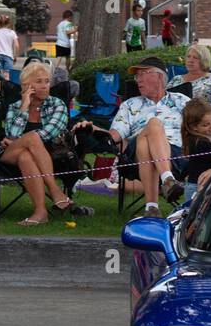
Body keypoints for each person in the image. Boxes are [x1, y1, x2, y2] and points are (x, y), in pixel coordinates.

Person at [77, 56, 187, 213]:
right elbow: (114, 136)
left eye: (143, 74)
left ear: (160, 76)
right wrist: (93, 128)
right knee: (153, 124)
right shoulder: (129, 105)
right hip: (133, 159)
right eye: (137, 76)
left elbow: (199, 126)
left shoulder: (182, 101)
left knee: (146, 144)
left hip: (175, 155)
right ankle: (168, 179)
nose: (138, 80)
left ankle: (152, 208)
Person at [0, 60, 91, 225]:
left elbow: (49, 133)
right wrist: (24, 106)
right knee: (31, 140)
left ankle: (40, 213)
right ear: (27, 85)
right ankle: (56, 192)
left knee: (26, 155)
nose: (45, 86)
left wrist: (22, 141)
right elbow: (12, 135)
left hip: (46, 154)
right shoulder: (16, 106)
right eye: (39, 82)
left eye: (47, 81)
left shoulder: (57, 104)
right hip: (8, 154)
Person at [169, 44, 211, 113]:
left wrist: (206, 108)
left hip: (204, 118)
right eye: (188, 57)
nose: (190, 60)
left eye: (195, 58)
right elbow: (164, 99)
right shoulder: (176, 79)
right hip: (175, 117)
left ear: (204, 61)